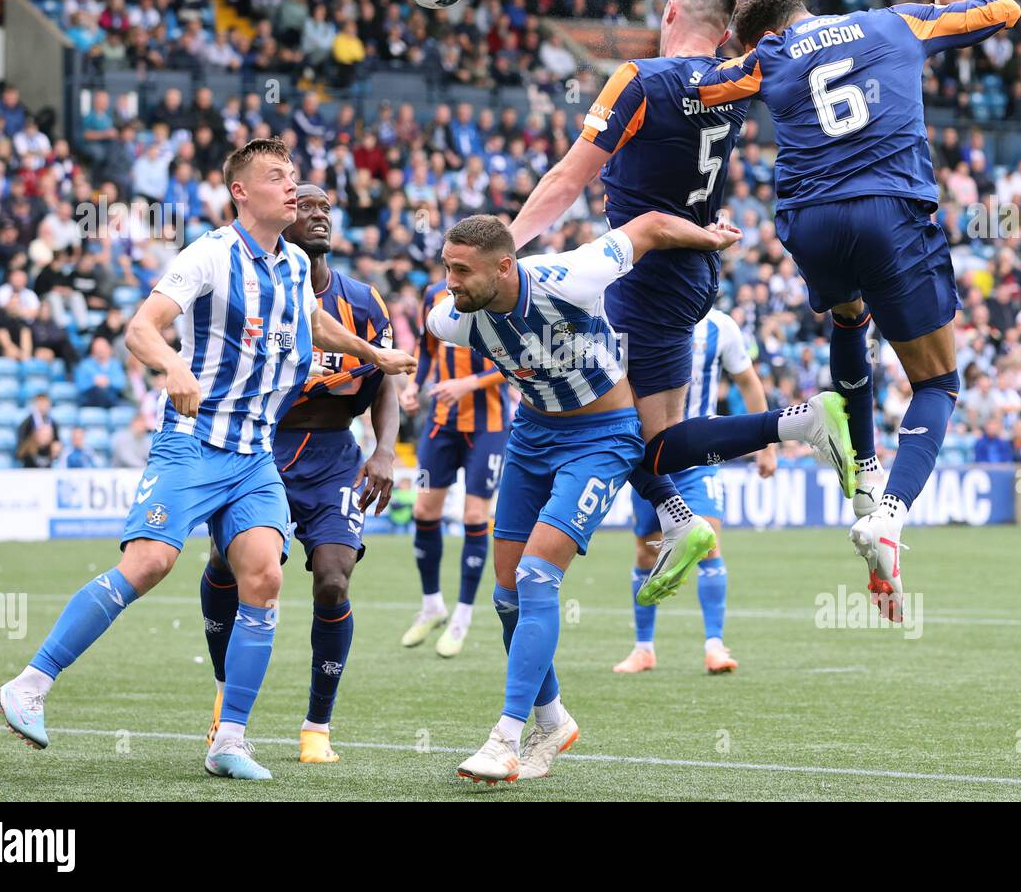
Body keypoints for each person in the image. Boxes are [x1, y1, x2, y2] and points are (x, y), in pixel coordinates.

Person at [0, 137, 415, 781]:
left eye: (293, 176)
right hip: (193, 443)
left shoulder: (295, 265)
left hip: (253, 456)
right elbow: (141, 327)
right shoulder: (211, 255)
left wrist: (374, 354)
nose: (291, 187)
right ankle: (29, 683)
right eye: (277, 177)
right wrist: (172, 366)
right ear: (241, 191)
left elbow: (314, 326)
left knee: (265, 577)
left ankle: (230, 739)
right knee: (150, 562)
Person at [695, 0, 1021, 620]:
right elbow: (1005, 12)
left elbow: (702, 92)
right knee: (938, 382)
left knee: (849, 315)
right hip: (889, 210)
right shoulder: (895, 22)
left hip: (810, 220)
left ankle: (865, 472)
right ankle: (890, 517)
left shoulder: (769, 57)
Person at [427, 212, 740, 784]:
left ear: (505, 266)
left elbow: (646, 227)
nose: (449, 282)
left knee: (537, 577)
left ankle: (506, 736)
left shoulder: (571, 276)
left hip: (603, 437)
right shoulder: (451, 321)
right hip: (531, 438)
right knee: (506, 597)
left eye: (460, 270)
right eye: (446, 268)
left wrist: (710, 238)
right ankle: (553, 719)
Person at [507, 0, 757, 600]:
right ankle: (679, 519)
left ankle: (790, 427)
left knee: (610, 431)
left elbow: (568, 179)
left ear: (669, 10)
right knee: (659, 441)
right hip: (696, 272)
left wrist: (502, 248)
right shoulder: (738, 80)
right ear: (724, 32)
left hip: (642, 273)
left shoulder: (640, 79)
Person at [200, 183, 401, 765]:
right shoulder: (255, 293)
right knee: (228, 568)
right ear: (280, 221)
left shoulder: (365, 301)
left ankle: (317, 727)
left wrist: (383, 449)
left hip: (335, 455)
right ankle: (224, 699)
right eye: (304, 206)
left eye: (325, 208)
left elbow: (386, 378)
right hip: (259, 450)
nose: (317, 214)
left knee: (334, 581)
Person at [616, 308, 777, 676]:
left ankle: (715, 646)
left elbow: (748, 381)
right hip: (649, 459)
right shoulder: (641, 316)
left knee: (708, 543)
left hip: (700, 457)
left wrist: (767, 446)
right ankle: (643, 649)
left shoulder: (721, 327)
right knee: (646, 552)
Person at [399, 275, 510, 657]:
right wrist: (414, 384)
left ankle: (462, 617)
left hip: (488, 427)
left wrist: (469, 385)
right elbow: (427, 349)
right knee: (423, 509)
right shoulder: (434, 294)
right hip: (441, 424)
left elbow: (518, 362)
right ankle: (432, 605)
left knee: (474, 514)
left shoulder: (502, 294)